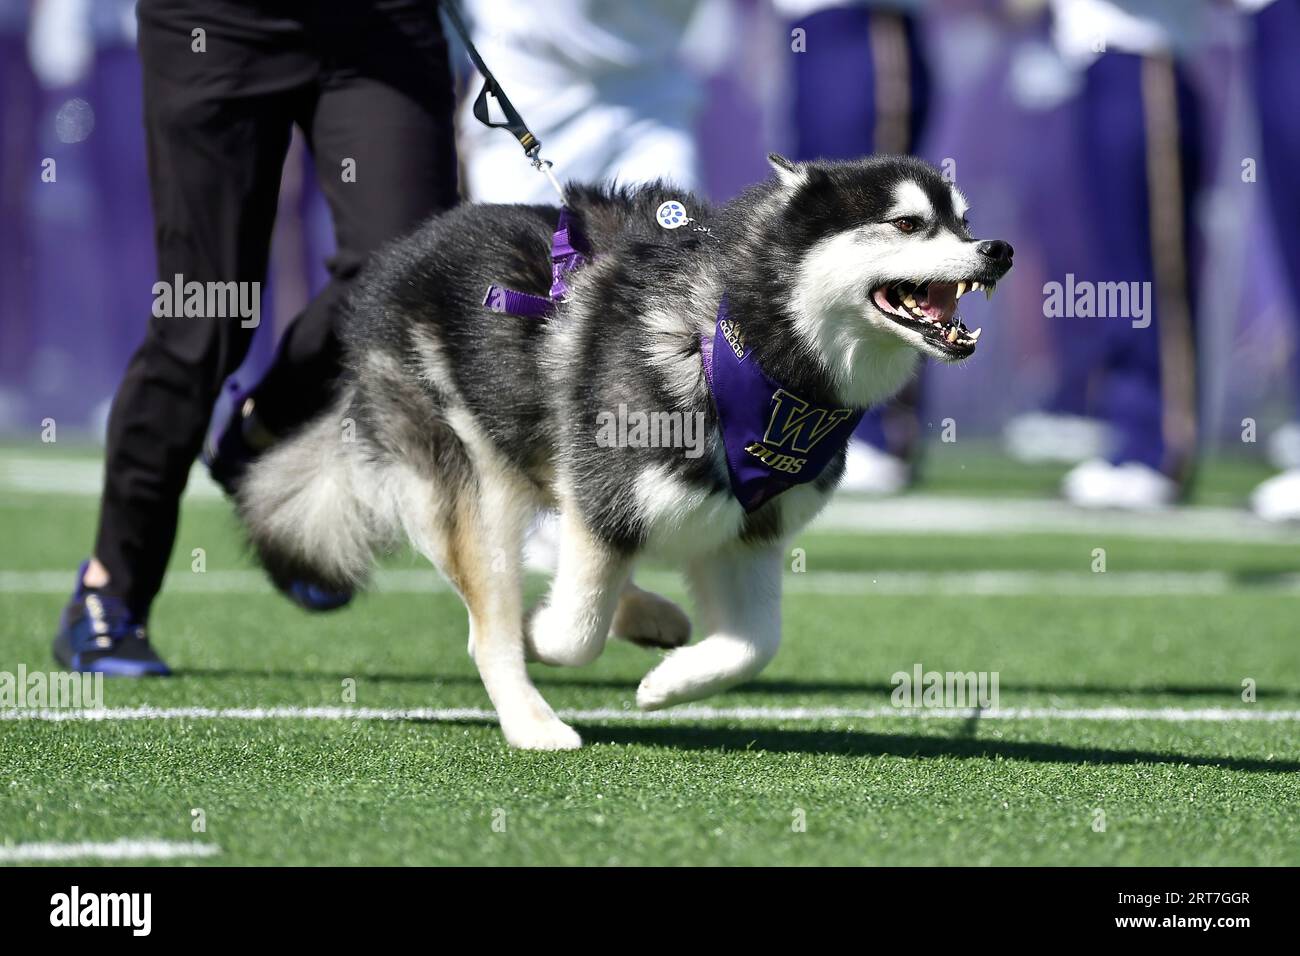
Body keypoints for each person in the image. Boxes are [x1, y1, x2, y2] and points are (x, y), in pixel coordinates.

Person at [54, 0, 460, 675]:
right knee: (206, 319)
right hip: (216, 22)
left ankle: (265, 433)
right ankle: (110, 589)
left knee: (408, 275)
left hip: (381, 23)